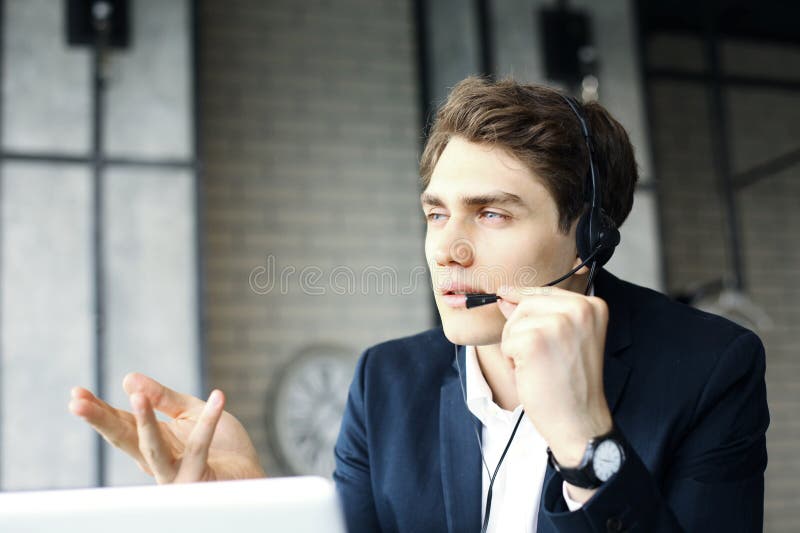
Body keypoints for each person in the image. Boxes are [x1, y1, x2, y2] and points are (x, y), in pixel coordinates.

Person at [69, 77, 769, 532]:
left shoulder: (710, 370)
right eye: (437, 215)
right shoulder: (386, 382)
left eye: (491, 214)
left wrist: (588, 443)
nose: (446, 250)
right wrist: (250, 506)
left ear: (591, 234)